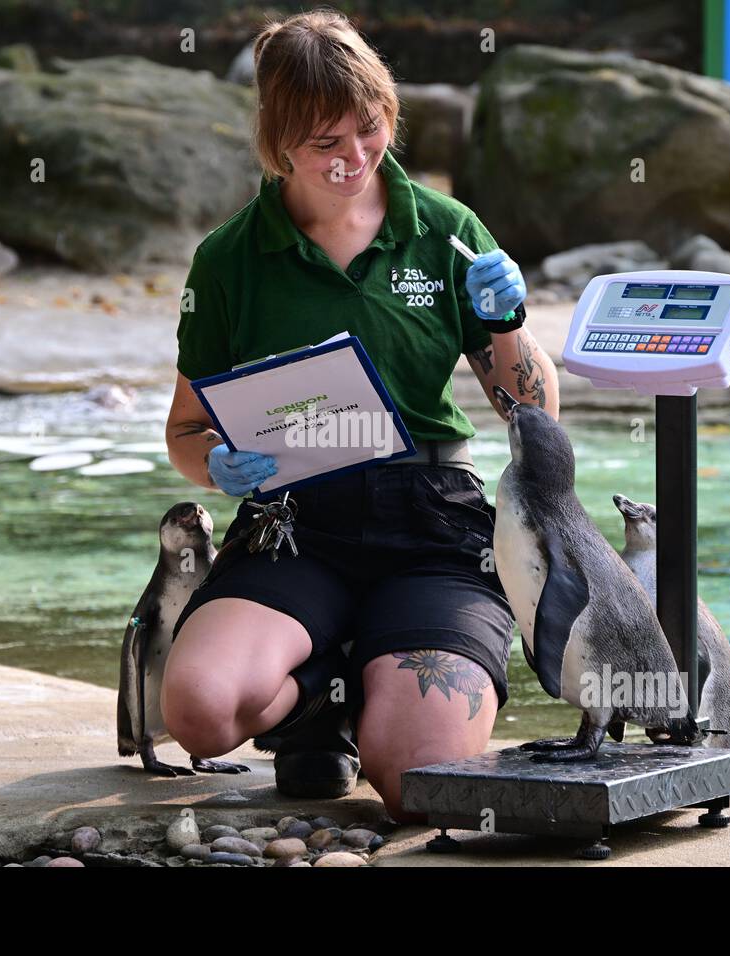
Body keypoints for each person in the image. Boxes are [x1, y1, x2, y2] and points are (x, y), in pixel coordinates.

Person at [160, 8, 561, 823]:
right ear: (279, 145)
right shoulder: (229, 259)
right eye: (324, 144)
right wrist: (216, 466)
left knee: (420, 785)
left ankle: (378, 693)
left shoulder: (446, 234)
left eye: (368, 132)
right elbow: (185, 432)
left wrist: (512, 322)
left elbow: (534, 420)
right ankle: (318, 703)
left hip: (433, 523)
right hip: (293, 521)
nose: (352, 159)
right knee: (199, 716)